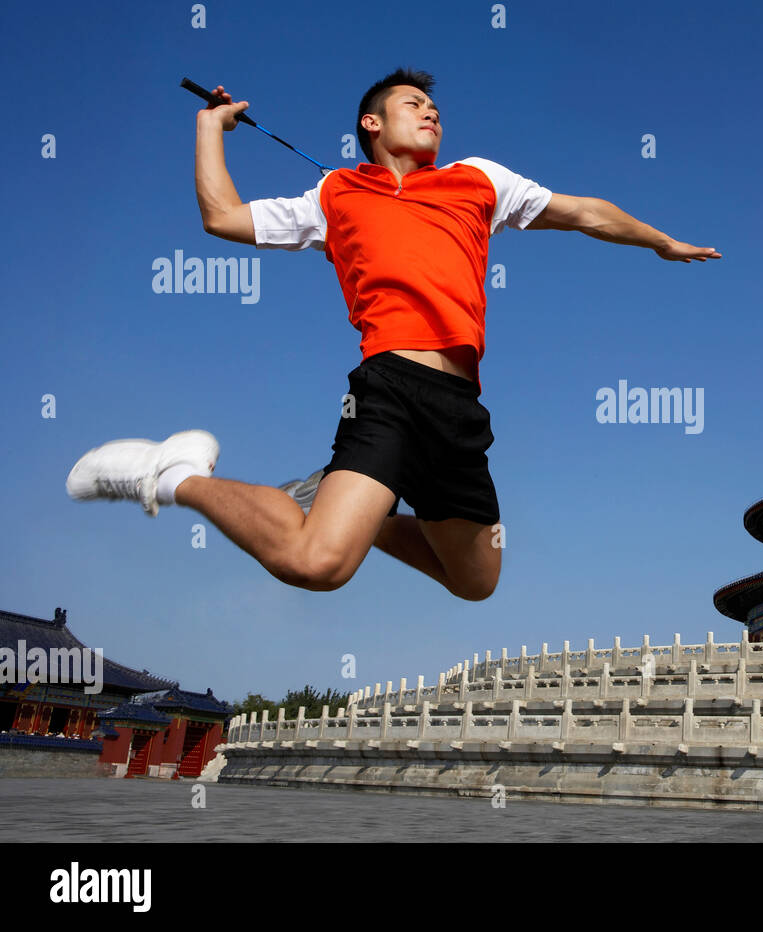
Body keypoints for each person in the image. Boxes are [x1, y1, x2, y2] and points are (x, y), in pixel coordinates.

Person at [65, 68, 720, 601]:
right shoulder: (335, 192)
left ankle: (360, 514)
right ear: (371, 124)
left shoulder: (478, 180)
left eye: (435, 106)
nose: (431, 112)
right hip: (390, 388)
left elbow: (584, 212)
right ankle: (174, 475)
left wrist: (659, 241)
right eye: (414, 103)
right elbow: (224, 218)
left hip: (460, 408)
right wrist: (212, 128)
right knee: (317, 563)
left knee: (476, 581)